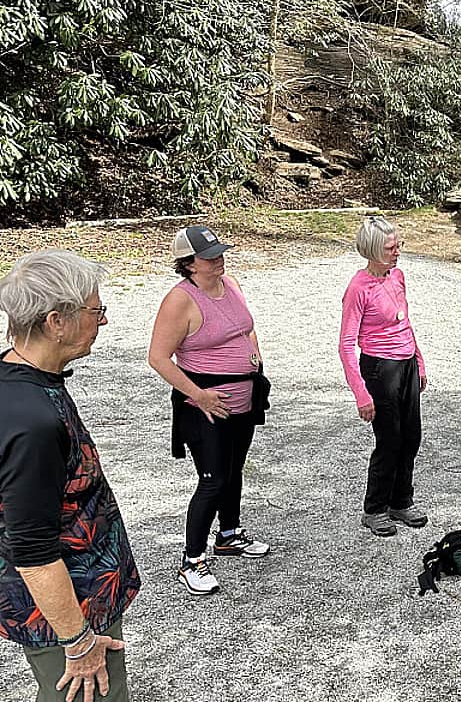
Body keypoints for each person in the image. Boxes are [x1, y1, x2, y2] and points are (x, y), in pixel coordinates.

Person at [0, 250, 140, 702]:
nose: (102, 322)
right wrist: (78, 643)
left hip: (75, 596)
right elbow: (32, 549)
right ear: (56, 321)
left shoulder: (20, 380)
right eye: (96, 311)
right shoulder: (33, 422)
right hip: (67, 610)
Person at [148, 226, 271, 596]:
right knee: (213, 479)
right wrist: (199, 396)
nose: (218, 259)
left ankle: (229, 534)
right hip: (205, 405)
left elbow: (246, 328)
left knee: (234, 470)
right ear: (188, 263)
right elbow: (158, 358)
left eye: (219, 251)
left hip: (243, 398)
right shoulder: (180, 300)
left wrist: (255, 360)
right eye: (209, 255)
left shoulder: (230, 283)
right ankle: (192, 559)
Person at [338, 216, 428, 538]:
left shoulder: (398, 277)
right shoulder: (357, 289)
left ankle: (401, 501)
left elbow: (405, 322)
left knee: (411, 437)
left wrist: (418, 360)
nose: (398, 252)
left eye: (398, 245)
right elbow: (346, 345)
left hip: (405, 364)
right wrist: (361, 394)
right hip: (379, 368)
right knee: (389, 440)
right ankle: (374, 509)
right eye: (391, 247)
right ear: (374, 250)